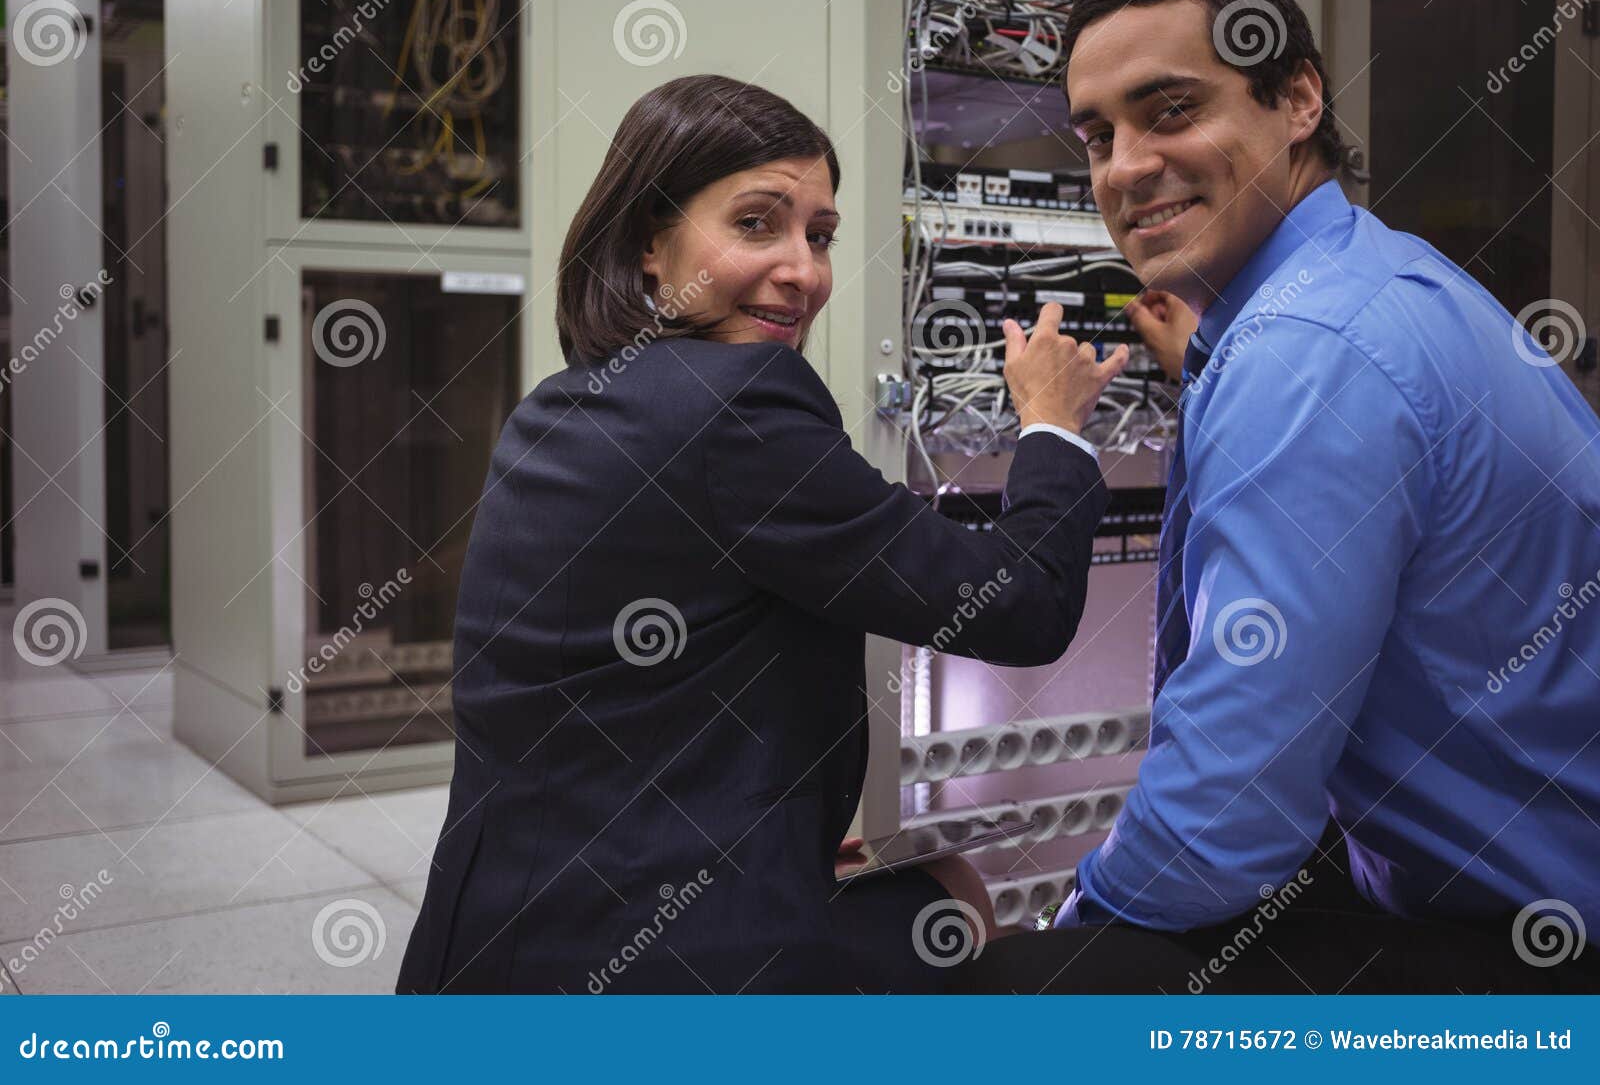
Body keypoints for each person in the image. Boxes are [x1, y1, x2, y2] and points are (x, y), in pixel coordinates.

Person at [396, 74, 1129, 993]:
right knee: (958, 895)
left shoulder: (558, 408)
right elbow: (1024, 603)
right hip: (660, 978)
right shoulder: (741, 401)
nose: (805, 270)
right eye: (756, 224)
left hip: (483, 956)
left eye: (819, 235)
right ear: (649, 248)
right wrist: (1052, 426)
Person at [961, 0, 1600, 993]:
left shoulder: (1310, 349)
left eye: (1169, 111)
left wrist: (1069, 932)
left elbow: (1220, 821)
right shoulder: (1364, 281)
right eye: (1097, 133)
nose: (1123, 167)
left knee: (1011, 1000)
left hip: (1539, 960)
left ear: (1297, 96)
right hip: (1487, 892)